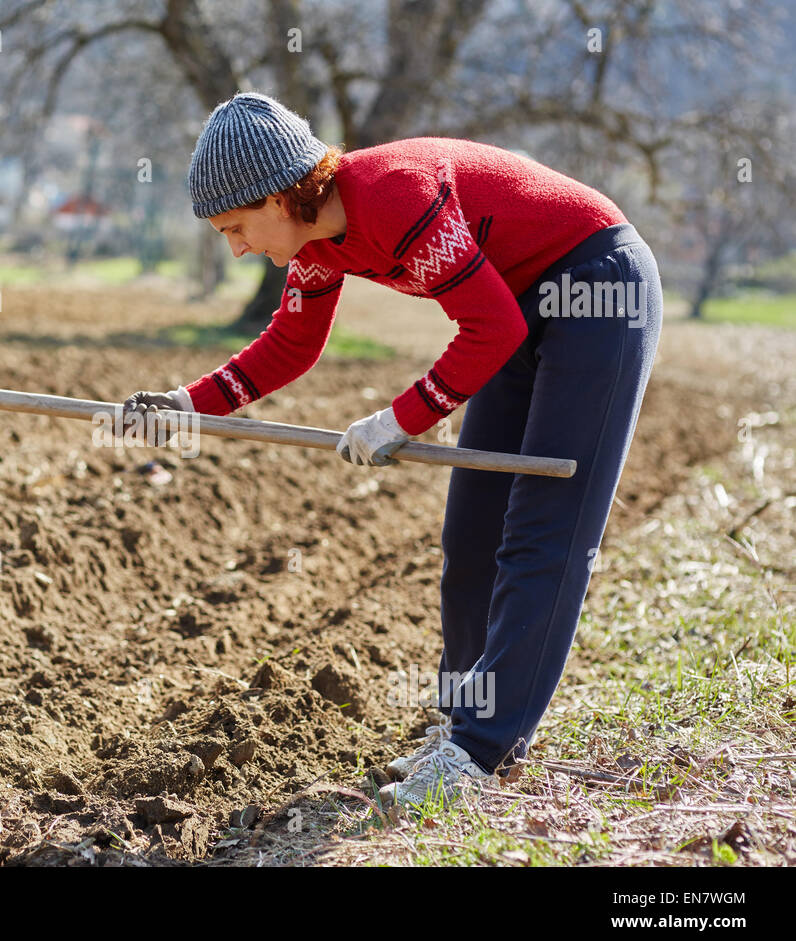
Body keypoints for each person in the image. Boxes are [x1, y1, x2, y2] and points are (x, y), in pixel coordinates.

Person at [123, 91, 662, 811]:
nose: (237, 247)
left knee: (546, 531)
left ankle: (479, 751)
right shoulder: (316, 241)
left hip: (597, 287)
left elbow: (490, 330)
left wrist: (401, 419)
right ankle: (462, 727)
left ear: (282, 196)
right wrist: (187, 406)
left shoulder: (394, 196)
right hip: (512, 305)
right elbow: (290, 346)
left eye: (236, 226)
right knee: (471, 535)